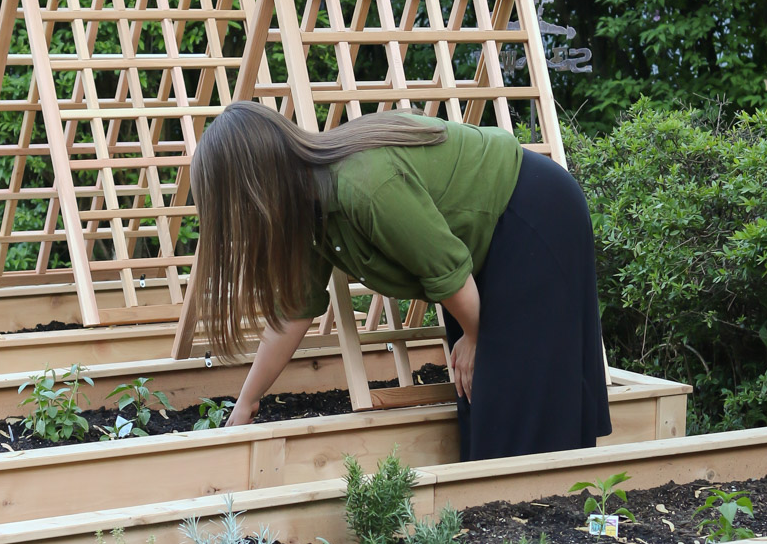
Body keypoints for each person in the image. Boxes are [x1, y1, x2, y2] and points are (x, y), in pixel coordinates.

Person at [188, 100, 611, 459]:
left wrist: (476, 335)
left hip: (531, 216)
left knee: (521, 411)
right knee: (487, 407)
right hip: (482, 250)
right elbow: (293, 314)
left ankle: (553, 528)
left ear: (253, 189)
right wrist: (244, 407)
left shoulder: (364, 184)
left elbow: (447, 271)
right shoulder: (307, 206)